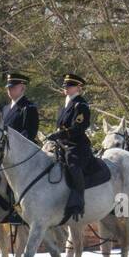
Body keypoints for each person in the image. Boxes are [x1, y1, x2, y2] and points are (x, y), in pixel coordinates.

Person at [45, 74, 93, 222]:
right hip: (62, 145)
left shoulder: (81, 105)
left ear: (79, 88)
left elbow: (79, 128)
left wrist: (60, 134)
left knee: (73, 165)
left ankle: (78, 201)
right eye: (65, 85)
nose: (66, 88)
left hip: (77, 146)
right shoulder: (64, 105)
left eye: (70, 85)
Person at [0, 72, 40, 142]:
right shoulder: (5, 108)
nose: (9, 89)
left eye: (13, 87)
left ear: (23, 88)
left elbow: (29, 134)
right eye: (8, 87)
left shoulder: (29, 108)